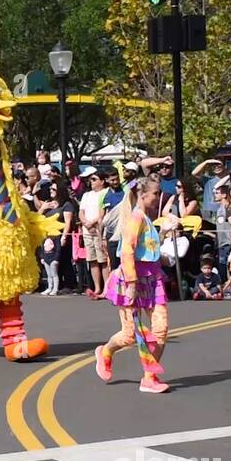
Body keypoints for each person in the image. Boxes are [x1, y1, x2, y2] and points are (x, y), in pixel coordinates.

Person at [94, 178, 173, 394]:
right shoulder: (135, 218)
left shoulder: (147, 219)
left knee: (161, 329)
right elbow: (127, 251)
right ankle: (106, 352)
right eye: (156, 193)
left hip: (152, 280)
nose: (159, 197)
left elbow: (147, 250)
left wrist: (165, 234)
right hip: (133, 281)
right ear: (144, 195)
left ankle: (149, 377)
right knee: (129, 334)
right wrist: (131, 283)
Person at [78, 167, 108, 298]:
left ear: (102, 181)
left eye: (94, 179)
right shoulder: (86, 195)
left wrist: (93, 222)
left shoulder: (106, 193)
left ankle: (107, 287)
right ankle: (97, 287)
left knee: (103, 259)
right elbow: (81, 212)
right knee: (92, 260)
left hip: (98, 230)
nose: (92, 182)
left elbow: (103, 213)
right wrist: (85, 222)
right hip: (87, 230)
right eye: (90, 180)